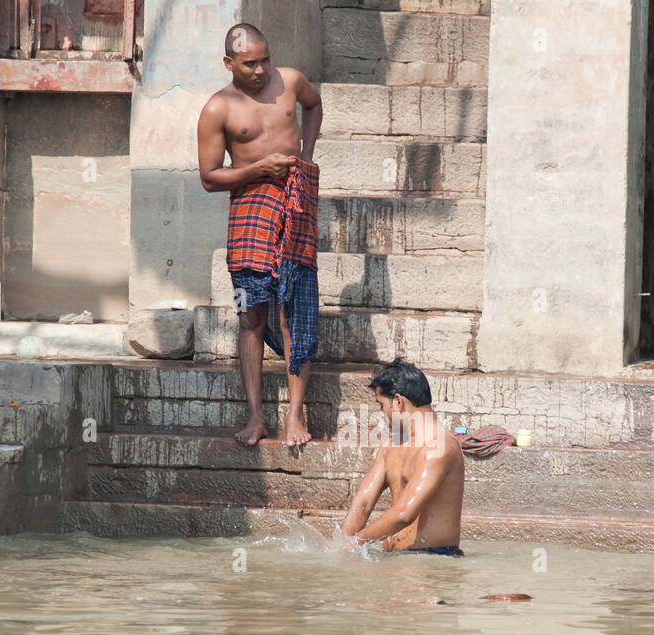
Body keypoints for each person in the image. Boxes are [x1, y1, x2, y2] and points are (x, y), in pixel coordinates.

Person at [197, 23, 324, 447]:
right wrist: (258, 170)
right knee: (249, 315)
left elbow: (315, 104)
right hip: (248, 214)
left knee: (294, 312)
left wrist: (304, 157)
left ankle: (294, 415)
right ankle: (255, 417)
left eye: (264, 59)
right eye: (250, 63)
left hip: (297, 208)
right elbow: (209, 177)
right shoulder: (218, 108)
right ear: (228, 63)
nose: (260, 69)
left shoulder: (290, 81)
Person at [339, 359, 466, 555]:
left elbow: (404, 514)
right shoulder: (390, 446)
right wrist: (340, 547)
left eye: (381, 406)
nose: (381, 414)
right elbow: (363, 502)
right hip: (396, 561)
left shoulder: (440, 446)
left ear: (398, 402)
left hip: (432, 563)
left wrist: (355, 543)